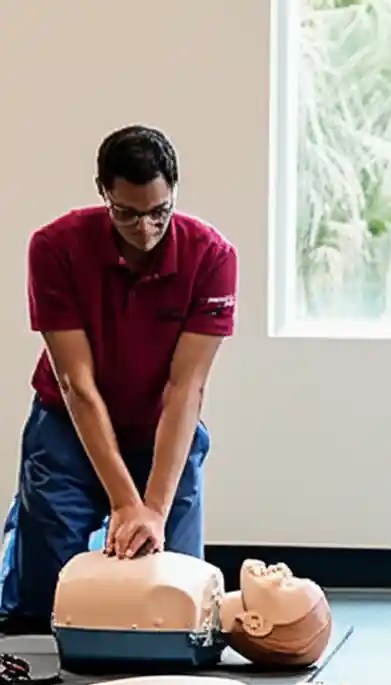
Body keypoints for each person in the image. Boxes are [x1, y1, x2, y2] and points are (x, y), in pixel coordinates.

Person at [0, 125, 237, 633]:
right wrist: (125, 503)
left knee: (177, 594)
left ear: (174, 192)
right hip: (69, 426)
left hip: (163, 425)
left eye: (159, 212)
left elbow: (185, 389)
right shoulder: (54, 247)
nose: (146, 228)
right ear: (102, 192)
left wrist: (151, 508)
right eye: (127, 213)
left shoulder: (212, 256)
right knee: (47, 599)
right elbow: (75, 384)